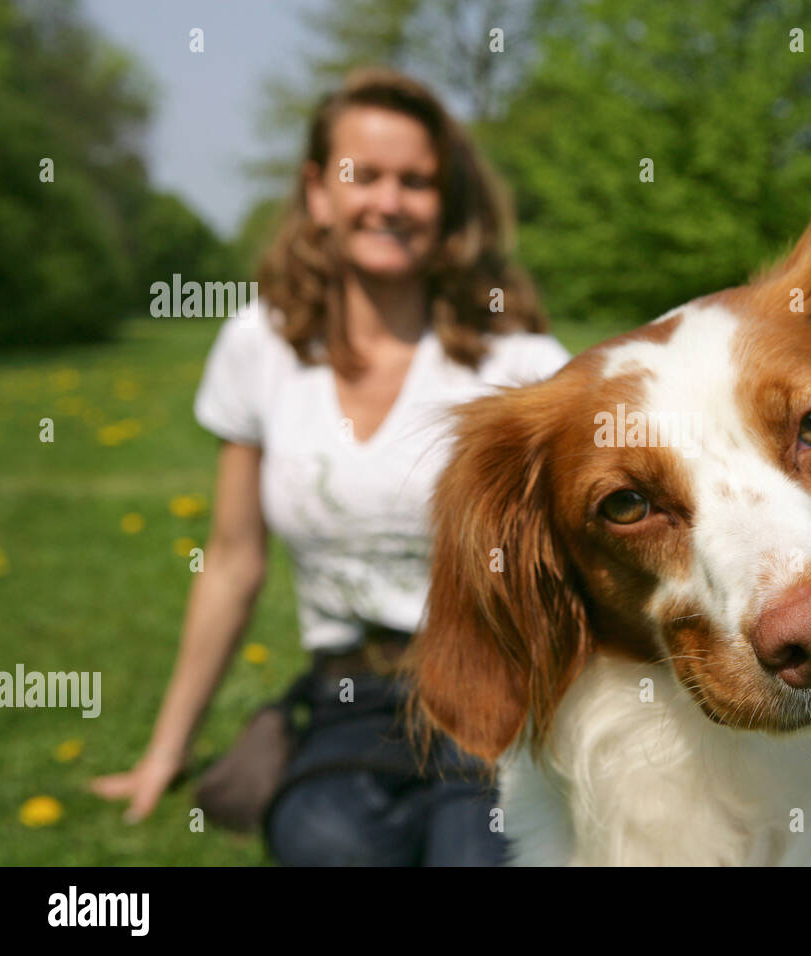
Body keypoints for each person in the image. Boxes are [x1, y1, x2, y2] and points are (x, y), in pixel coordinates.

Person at [89, 67, 570, 865]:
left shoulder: (520, 362)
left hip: (496, 690)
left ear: (446, 201)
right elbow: (233, 564)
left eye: (416, 181)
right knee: (325, 840)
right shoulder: (262, 346)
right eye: (363, 175)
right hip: (352, 696)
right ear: (318, 192)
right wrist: (165, 751)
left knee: (475, 852)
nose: (389, 200)